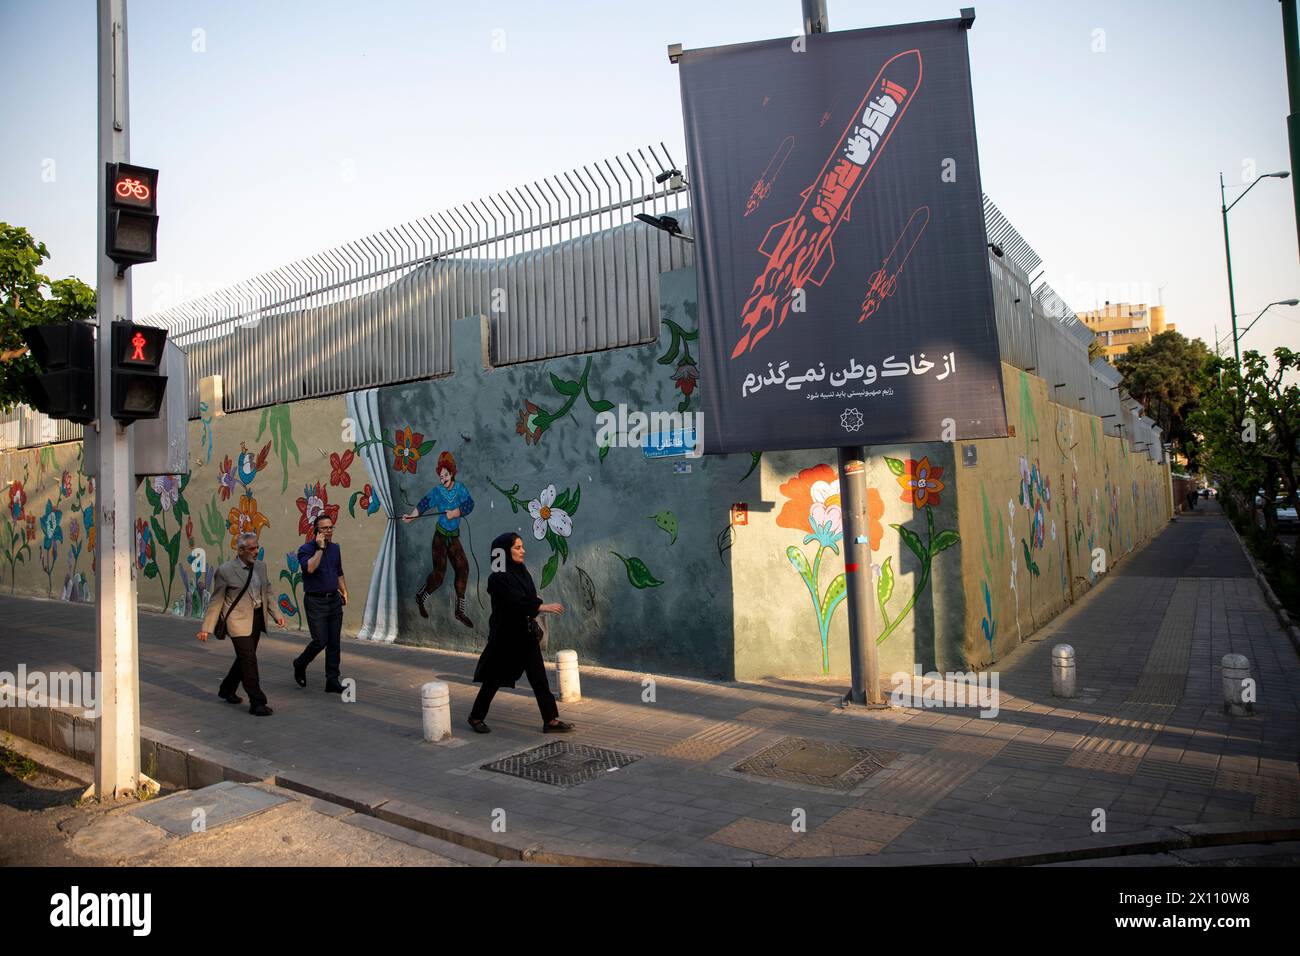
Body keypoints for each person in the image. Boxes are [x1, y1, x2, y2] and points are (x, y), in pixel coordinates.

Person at [467, 532, 574, 734]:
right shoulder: (497, 578)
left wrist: (535, 604)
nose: (523, 551)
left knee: (539, 678)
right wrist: (542, 607)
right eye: (517, 547)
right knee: (494, 679)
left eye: (521, 546)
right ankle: (475, 717)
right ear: (504, 552)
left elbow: (528, 596)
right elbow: (515, 602)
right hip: (505, 637)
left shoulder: (521, 571)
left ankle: (550, 720)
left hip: (525, 635)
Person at [198, 532, 283, 716]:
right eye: (252, 548)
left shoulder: (261, 567)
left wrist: (276, 614)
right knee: (249, 659)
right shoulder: (225, 570)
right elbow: (216, 600)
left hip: (257, 618)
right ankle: (257, 702)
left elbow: (267, 591)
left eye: (257, 547)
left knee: (244, 658)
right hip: (237, 621)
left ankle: (227, 689)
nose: (257, 551)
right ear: (241, 550)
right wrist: (206, 627)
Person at [403, 450, 475, 628]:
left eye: (445, 475)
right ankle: (422, 596)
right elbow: (424, 503)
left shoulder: (460, 489)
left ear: (452, 473)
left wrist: (455, 512)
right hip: (440, 537)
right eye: (440, 475)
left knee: (463, 568)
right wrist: (412, 516)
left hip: (454, 537)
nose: (442, 478)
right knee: (439, 575)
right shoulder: (438, 491)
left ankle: (460, 610)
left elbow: (469, 504)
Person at [293, 513, 349, 693]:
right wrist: (320, 548)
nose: (329, 531)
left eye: (331, 527)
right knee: (320, 641)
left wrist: (344, 590)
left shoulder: (336, 548)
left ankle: (332, 680)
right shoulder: (305, 549)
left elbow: (339, 571)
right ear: (316, 530)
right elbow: (310, 568)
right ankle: (300, 663)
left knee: (334, 642)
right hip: (315, 601)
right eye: (324, 528)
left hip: (333, 600)